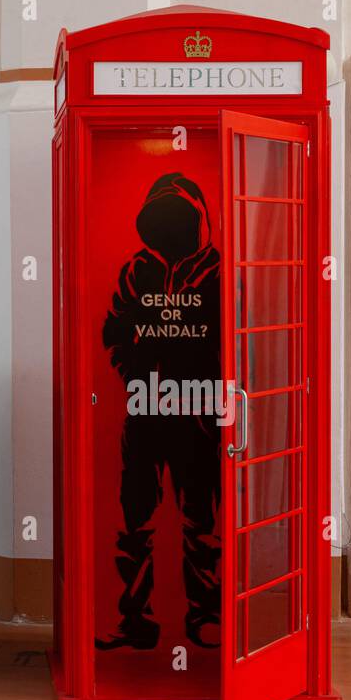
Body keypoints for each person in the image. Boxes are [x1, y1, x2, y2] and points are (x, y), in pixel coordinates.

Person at [97, 172, 221, 651]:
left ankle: (205, 618)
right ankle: (135, 621)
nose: (174, 227)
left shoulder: (217, 272)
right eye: (165, 217)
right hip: (145, 412)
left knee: (203, 526)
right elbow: (113, 331)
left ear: (199, 221)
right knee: (134, 524)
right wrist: (134, 377)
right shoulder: (136, 271)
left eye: (182, 217)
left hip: (199, 414)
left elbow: (237, 339)